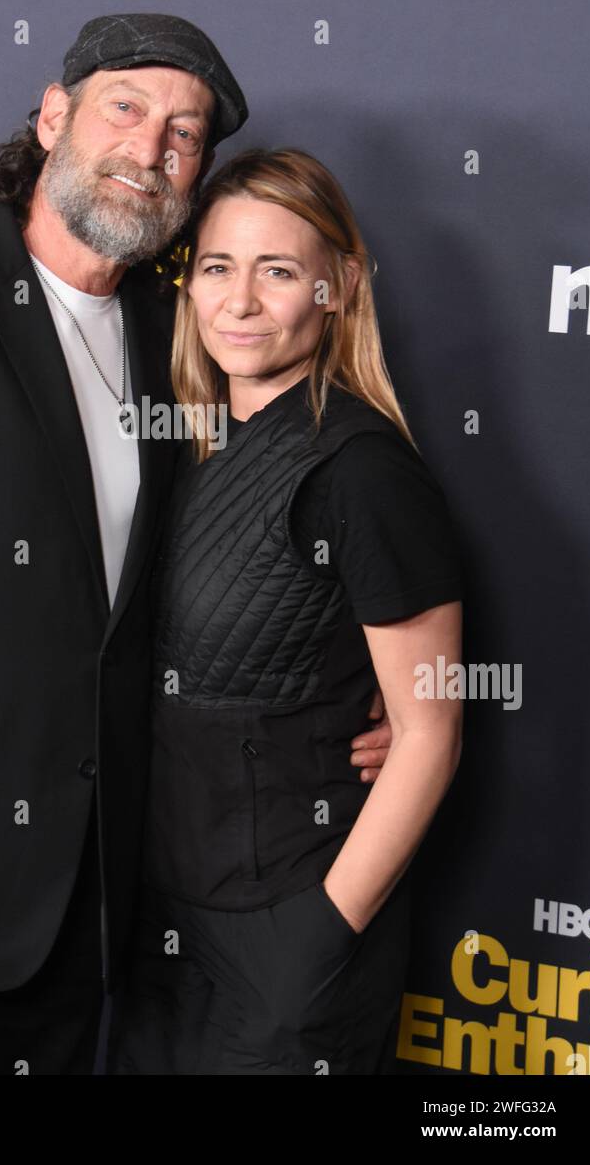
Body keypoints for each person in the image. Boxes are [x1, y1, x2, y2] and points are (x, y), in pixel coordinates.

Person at [0, 16, 391, 1075]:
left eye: (183, 134)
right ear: (53, 118)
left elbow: (219, 569)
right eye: (124, 109)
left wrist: (362, 699)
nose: (149, 148)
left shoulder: (171, 339)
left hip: (74, 922)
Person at [108, 147, 465, 1075]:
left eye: (279, 271)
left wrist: (319, 935)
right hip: (158, 928)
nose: (242, 301)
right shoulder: (179, 446)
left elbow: (429, 733)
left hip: (288, 942)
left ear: (337, 287)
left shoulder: (361, 470)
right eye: (219, 268)